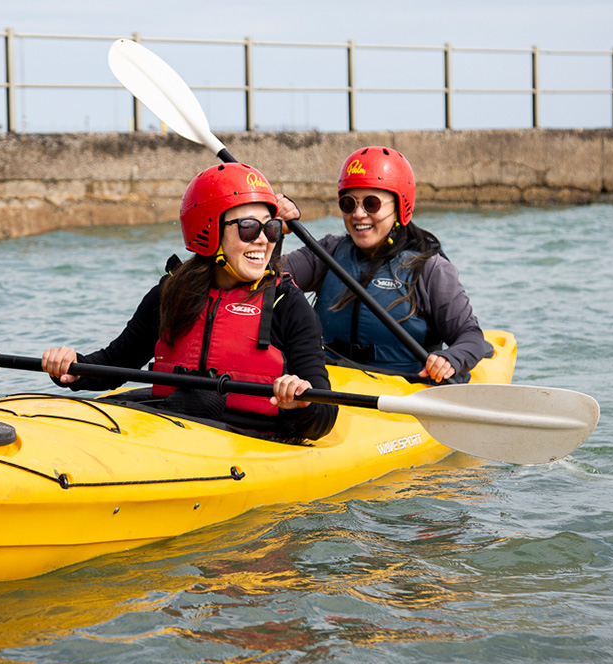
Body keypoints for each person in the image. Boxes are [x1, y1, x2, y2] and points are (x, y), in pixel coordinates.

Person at [42, 162, 337, 442]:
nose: (263, 240)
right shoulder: (171, 293)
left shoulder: (288, 304)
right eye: (249, 228)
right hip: (174, 426)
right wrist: (71, 368)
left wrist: (301, 402)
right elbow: (114, 364)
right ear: (208, 229)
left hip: (253, 438)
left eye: (271, 228)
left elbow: (325, 414)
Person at [280, 146, 487, 383]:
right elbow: (265, 280)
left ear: (400, 206)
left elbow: (471, 337)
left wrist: (450, 358)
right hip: (330, 381)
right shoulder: (326, 252)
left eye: (371, 203)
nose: (358, 214)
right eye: (348, 204)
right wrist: (273, 233)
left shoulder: (431, 270)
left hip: (401, 389)